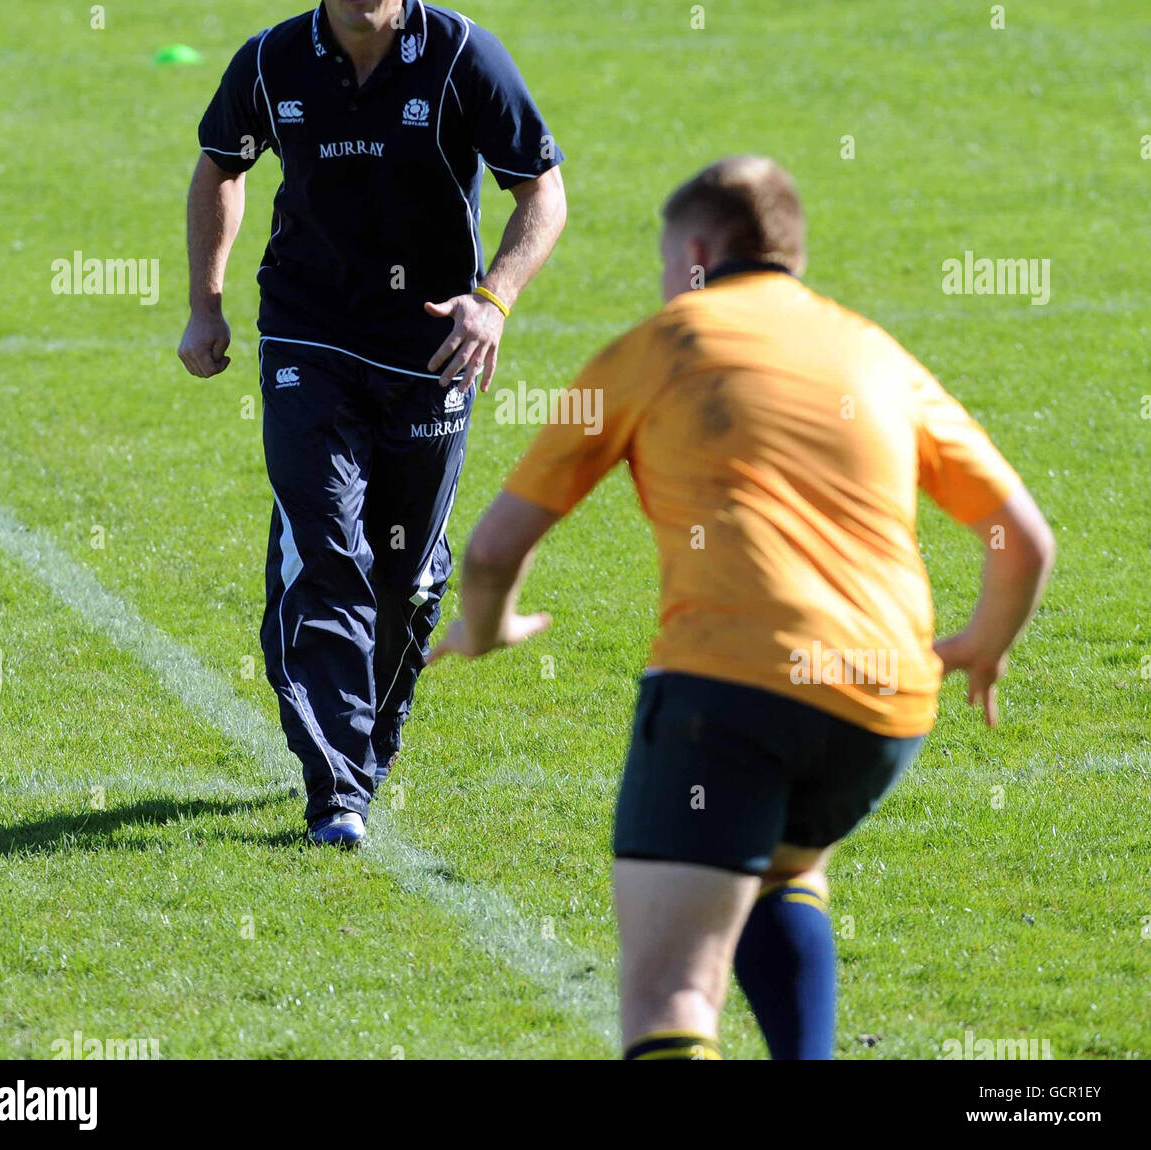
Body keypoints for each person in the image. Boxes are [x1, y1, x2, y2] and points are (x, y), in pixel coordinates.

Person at [428, 155, 1054, 1058]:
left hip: (729, 691)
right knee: (783, 869)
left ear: (692, 252)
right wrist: (982, 645)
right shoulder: (873, 352)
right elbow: (1024, 540)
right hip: (884, 704)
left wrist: (485, 631)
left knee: (673, 994)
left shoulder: (662, 345)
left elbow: (490, 551)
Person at [178, 0, 566, 846]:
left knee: (403, 575)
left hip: (431, 348)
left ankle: (371, 743)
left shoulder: (464, 57)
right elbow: (221, 165)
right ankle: (336, 791)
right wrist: (206, 306)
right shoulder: (272, 61)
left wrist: (495, 298)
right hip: (308, 334)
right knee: (328, 551)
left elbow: (541, 191)